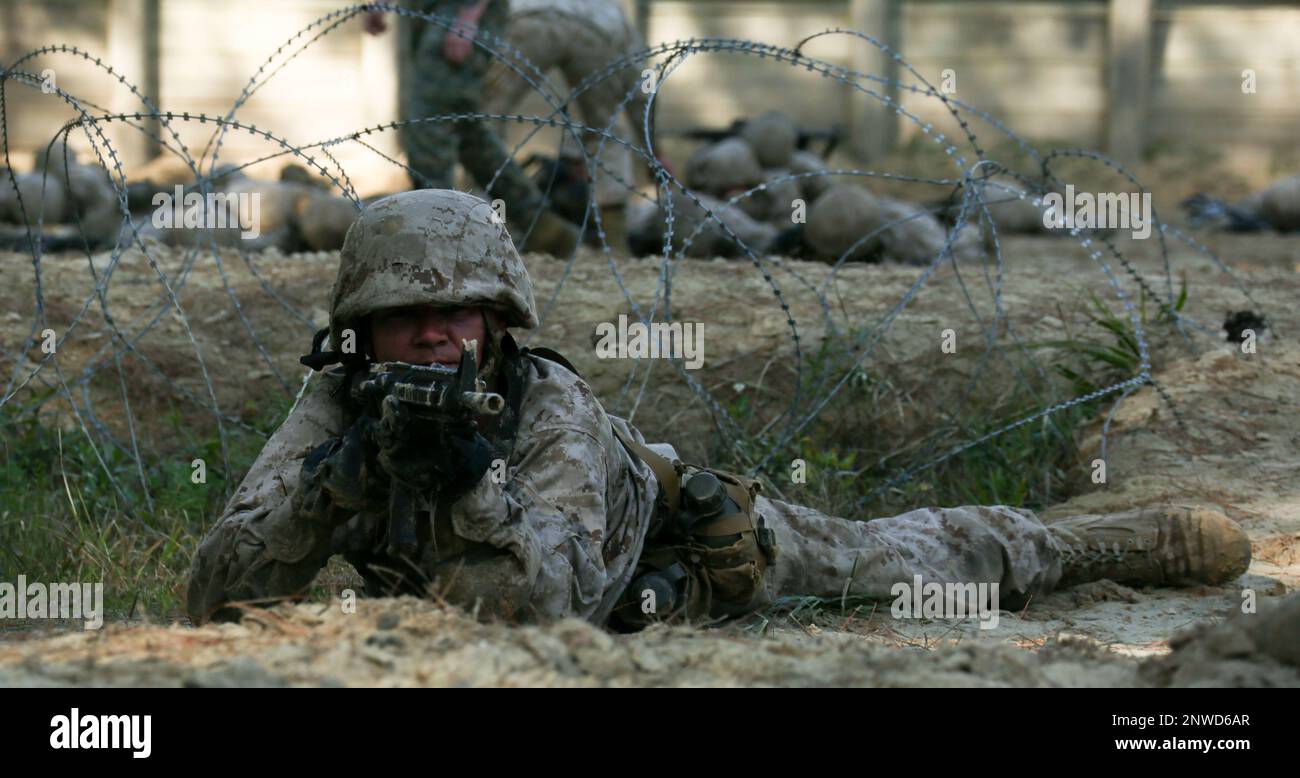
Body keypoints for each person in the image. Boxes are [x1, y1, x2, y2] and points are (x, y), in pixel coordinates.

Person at [186, 189, 1253, 628]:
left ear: (497, 320)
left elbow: (541, 609)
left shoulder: (542, 401)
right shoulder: (334, 408)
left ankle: (1095, 542)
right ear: (358, 331)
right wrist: (336, 487)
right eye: (404, 314)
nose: (433, 335)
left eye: (458, 311)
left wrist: (469, 476)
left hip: (691, 546)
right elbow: (209, 597)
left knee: (914, 559)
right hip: (546, 577)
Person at [364, 1, 581, 256]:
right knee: (465, 131)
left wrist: (468, 16)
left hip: (460, 12)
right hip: (430, 10)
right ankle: (542, 225)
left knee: (427, 124)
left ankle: (437, 239)